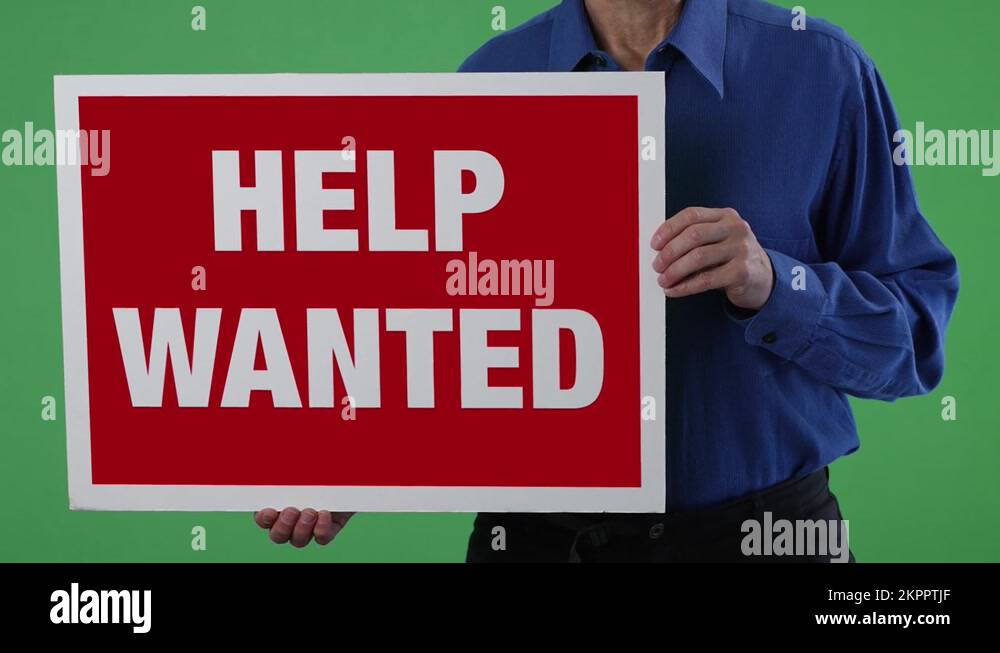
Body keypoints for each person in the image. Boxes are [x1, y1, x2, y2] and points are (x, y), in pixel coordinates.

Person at [254, 0, 959, 562]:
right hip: (535, 542)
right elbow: (449, 335)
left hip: (767, 539)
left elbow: (915, 341)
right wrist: (367, 465)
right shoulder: (491, 79)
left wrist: (778, 284)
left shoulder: (822, 69)